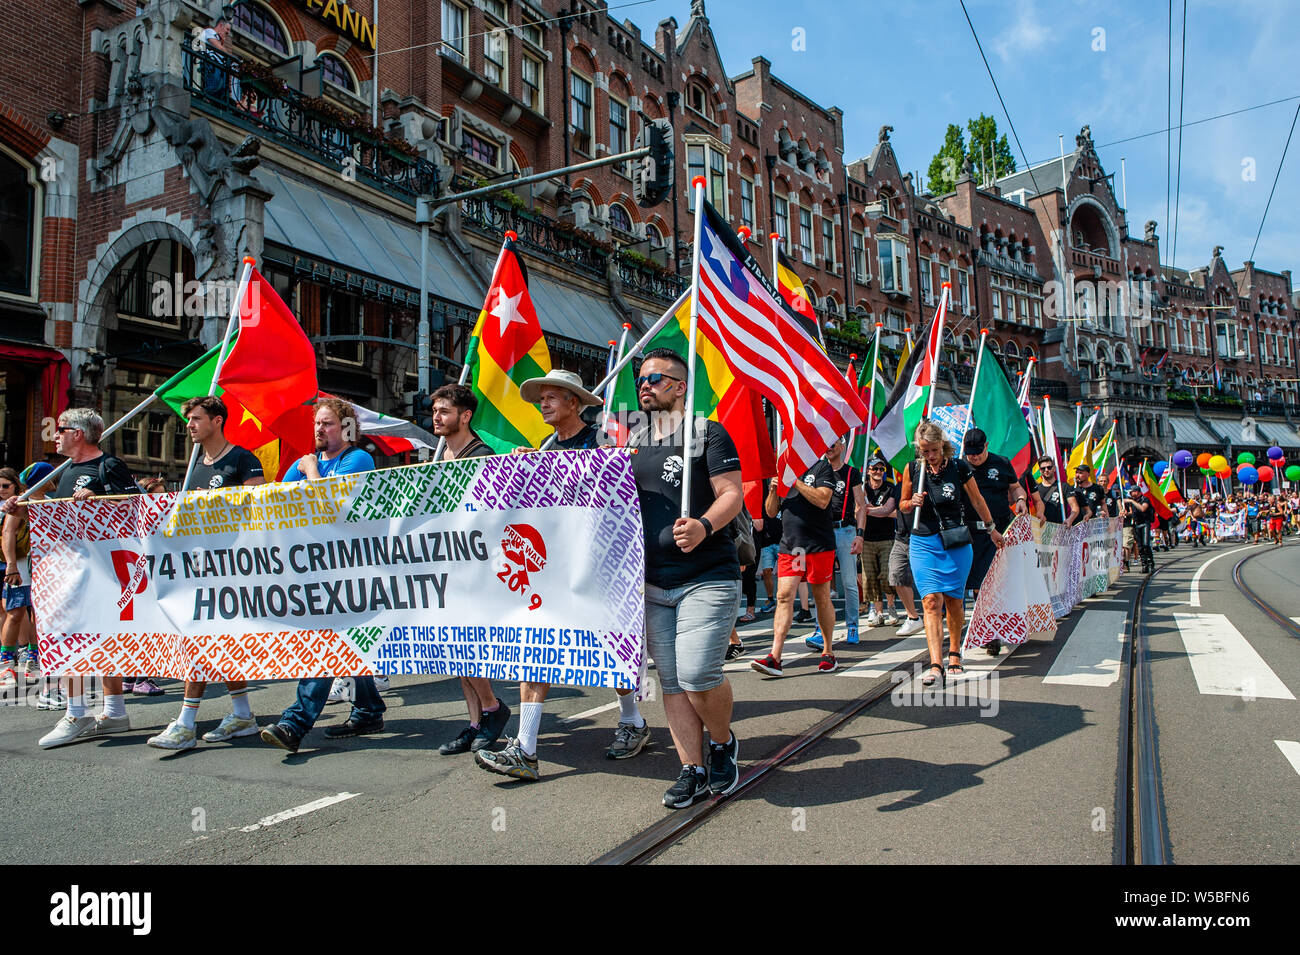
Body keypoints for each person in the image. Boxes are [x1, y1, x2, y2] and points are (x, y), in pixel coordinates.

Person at [476, 371, 649, 781]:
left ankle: (633, 720)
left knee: (607, 647)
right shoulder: (544, 448)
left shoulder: (603, 444)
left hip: (598, 567)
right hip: (553, 571)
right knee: (536, 649)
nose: (544, 404)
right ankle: (526, 748)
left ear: (574, 402)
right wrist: (523, 470)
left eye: (552, 397)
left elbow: (619, 493)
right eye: (542, 398)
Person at [621, 349, 744, 807]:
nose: (645, 384)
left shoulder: (706, 433)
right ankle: (691, 767)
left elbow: (732, 492)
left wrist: (704, 525)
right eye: (642, 377)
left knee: (696, 673)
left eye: (656, 377)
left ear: (679, 386)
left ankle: (721, 743)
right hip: (651, 583)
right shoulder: (630, 440)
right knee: (670, 680)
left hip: (706, 576)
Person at [4, 410, 141, 748]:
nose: (55, 435)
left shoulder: (108, 466)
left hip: (102, 569)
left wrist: (100, 502)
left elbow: (136, 508)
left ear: (78, 434)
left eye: (60, 429)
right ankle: (113, 711)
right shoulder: (66, 471)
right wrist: (24, 511)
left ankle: (80, 713)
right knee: (77, 638)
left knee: (83, 640)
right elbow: (61, 516)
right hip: (70, 568)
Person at [259, 398, 387, 754]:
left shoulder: (357, 459)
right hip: (315, 571)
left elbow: (337, 509)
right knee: (342, 643)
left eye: (328, 423)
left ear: (346, 428)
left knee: (325, 645)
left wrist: (312, 472)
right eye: (317, 423)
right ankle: (369, 709)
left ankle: (294, 722)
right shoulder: (302, 464)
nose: (319, 429)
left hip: (350, 570)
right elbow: (280, 507)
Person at [147, 396, 266, 751]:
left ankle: (185, 723)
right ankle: (243, 714)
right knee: (218, 642)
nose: (189, 425)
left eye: (196, 418)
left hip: (230, 569)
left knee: (199, 639)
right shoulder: (195, 465)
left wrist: (212, 504)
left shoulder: (243, 460)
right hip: (197, 568)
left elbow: (259, 505)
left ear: (217, 420)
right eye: (188, 419)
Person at [423, 383, 512, 756]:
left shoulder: (481, 456)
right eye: (434, 411)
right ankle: (476, 722)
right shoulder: (438, 454)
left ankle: (493, 707)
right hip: (443, 565)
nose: (436, 417)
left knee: (467, 647)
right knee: (454, 649)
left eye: (444, 411)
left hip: (474, 567)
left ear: (465, 416)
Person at [899, 420, 1002, 686]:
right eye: (924, 451)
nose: (930, 456)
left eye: (934, 450)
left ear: (942, 446)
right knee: (931, 601)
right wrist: (912, 502)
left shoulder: (959, 467)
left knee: (954, 601)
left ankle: (954, 652)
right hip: (923, 542)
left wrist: (991, 528)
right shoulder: (913, 469)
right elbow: (903, 504)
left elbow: (978, 500)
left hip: (955, 541)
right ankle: (936, 663)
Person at [752, 439, 839, 675]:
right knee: (783, 596)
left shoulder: (821, 467)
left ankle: (828, 651)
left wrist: (796, 482)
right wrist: (773, 490)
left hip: (819, 545)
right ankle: (775, 656)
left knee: (821, 597)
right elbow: (770, 511)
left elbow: (823, 500)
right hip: (791, 547)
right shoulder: (781, 473)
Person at [961, 428, 1027, 657]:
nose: (974, 457)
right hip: (971, 534)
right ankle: (988, 630)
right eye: (970, 453)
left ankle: (993, 631)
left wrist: (1020, 499)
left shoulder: (1001, 463)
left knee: (995, 582)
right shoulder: (961, 466)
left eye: (978, 453)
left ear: (986, 446)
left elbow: (1015, 486)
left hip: (999, 533)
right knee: (979, 585)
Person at [805, 434, 863, 650]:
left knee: (849, 582)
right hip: (822, 530)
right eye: (826, 444)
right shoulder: (818, 469)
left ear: (842, 445)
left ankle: (853, 625)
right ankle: (821, 628)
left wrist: (860, 534)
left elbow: (861, 505)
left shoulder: (851, 473)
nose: (828, 448)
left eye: (833, 444)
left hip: (845, 530)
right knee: (820, 582)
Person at [858, 454, 902, 628]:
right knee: (870, 577)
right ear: (868, 471)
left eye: (881, 469)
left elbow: (891, 511)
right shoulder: (862, 490)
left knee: (887, 574)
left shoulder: (890, 488)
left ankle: (891, 606)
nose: (878, 472)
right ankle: (877, 611)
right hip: (867, 538)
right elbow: (856, 512)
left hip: (887, 538)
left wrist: (869, 510)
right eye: (875, 468)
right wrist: (867, 510)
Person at [1031, 457, 1079, 526]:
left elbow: (1075, 507)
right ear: (1040, 470)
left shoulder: (1064, 486)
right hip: (1041, 529)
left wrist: (1070, 519)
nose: (1046, 470)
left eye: (1049, 467)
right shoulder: (1035, 489)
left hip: (1059, 527)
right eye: (1043, 468)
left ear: (1054, 469)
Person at [1122, 486, 1154, 573]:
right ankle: (1144, 565)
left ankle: (1151, 563)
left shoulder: (1145, 499)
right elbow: (1131, 512)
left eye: (1132, 492)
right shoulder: (1132, 501)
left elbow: (1143, 508)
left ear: (1137, 492)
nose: (1131, 494)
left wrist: (1132, 501)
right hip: (1136, 524)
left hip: (1145, 524)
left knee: (1146, 545)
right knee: (1140, 546)